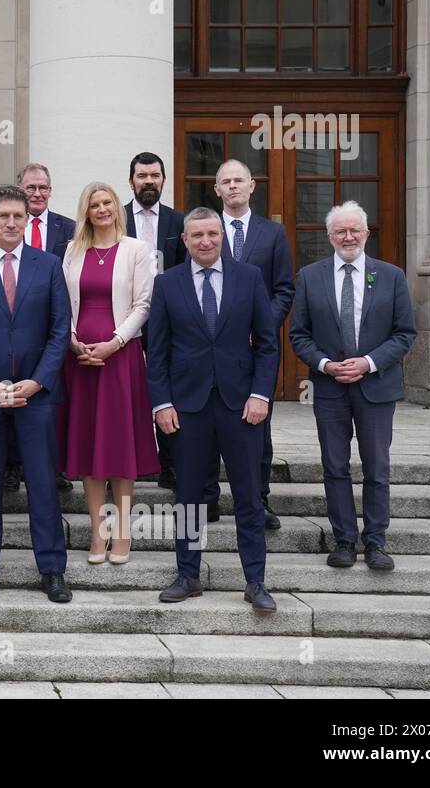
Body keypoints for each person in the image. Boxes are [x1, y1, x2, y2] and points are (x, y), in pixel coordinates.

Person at [149, 208, 279, 613]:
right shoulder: (167, 284)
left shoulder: (249, 278)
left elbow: (268, 344)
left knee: (248, 497)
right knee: (189, 496)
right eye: (197, 235)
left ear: (222, 236)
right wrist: (162, 403)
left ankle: (255, 580)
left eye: (212, 234)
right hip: (187, 408)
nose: (205, 241)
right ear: (184, 241)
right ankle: (187, 574)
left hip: (242, 406)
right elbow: (157, 352)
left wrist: (261, 395)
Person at [0, 185, 72, 604]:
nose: (10, 223)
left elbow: (60, 332)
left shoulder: (49, 265)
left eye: (17, 217)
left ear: (28, 220)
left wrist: (36, 382)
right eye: (2, 215)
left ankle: (52, 569)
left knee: (42, 483)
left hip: (35, 396)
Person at [290, 201, 416, 571]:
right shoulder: (310, 277)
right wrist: (327, 365)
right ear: (330, 236)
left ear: (366, 233)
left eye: (354, 230)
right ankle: (344, 541)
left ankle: (376, 542)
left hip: (377, 387)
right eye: (340, 231)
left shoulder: (391, 276)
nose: (348, 237)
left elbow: (404, 333)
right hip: (329, 389)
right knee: (335, 466)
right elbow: (299, 335)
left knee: (376, 467)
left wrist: (368, 362)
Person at [56, 183, 157, 565]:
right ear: (86, 211)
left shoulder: (136, 250)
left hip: (120, 357)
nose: (102, 209)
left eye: (107, 203)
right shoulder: (72, 250)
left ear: (117, 207)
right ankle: (99, 535)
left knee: (118, 445)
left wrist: (114, 342)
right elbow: (61, 302)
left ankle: (123, 534)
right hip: (79, 359)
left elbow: (143, 303)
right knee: (87, 446)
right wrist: (71, 342)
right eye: (94, 204)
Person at [208, 158, 294, 529]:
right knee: (208, 422)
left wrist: (259, 328)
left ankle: (260, 501)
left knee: (258, 424)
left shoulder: (272, 234)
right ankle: (207, 499)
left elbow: (284, 290)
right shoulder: (204, 230)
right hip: (212, 348)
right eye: (225, 181)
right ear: (217, 190)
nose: (232, 186)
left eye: (238, 180)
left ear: (252, 185)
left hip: (257, 350)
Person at [5, 163, 76, 493]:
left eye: (43, 188)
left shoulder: (69, 229)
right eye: (30, 188)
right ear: (19, 189)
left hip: (54, 324)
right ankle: (11, 466)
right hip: (12, 322)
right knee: (9, 396)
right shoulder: (7, 224)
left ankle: (53, 467)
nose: (37, 193)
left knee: (49, 399)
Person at [123, 151, 188, 491]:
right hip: (126, 317)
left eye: (155, 176)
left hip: (168, 318)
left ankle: (170, 465)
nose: (148, 181)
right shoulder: (116, 219)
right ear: (131, 180)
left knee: (168, 389)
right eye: (142, 176)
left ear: (163, 180)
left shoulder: (179, 222)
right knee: (126, 390)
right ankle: (126, 463)